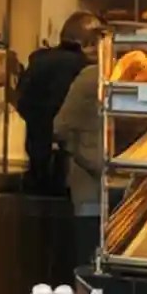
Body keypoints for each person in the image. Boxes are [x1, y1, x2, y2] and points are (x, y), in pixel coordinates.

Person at [16, 11, 103, 195]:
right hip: (68, 161)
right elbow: (70, 119)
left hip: (36, 151)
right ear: (87, 42)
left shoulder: (39, 59)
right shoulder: (82, 68)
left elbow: (21, 100)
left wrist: (38, 124)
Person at [53, 57, 103, 273]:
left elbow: (60, 129)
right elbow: (60, 129)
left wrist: (85, 158)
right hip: (99, 185)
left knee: (89, 262)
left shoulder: (91, 75)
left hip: (91, 185)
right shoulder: (93, 77)